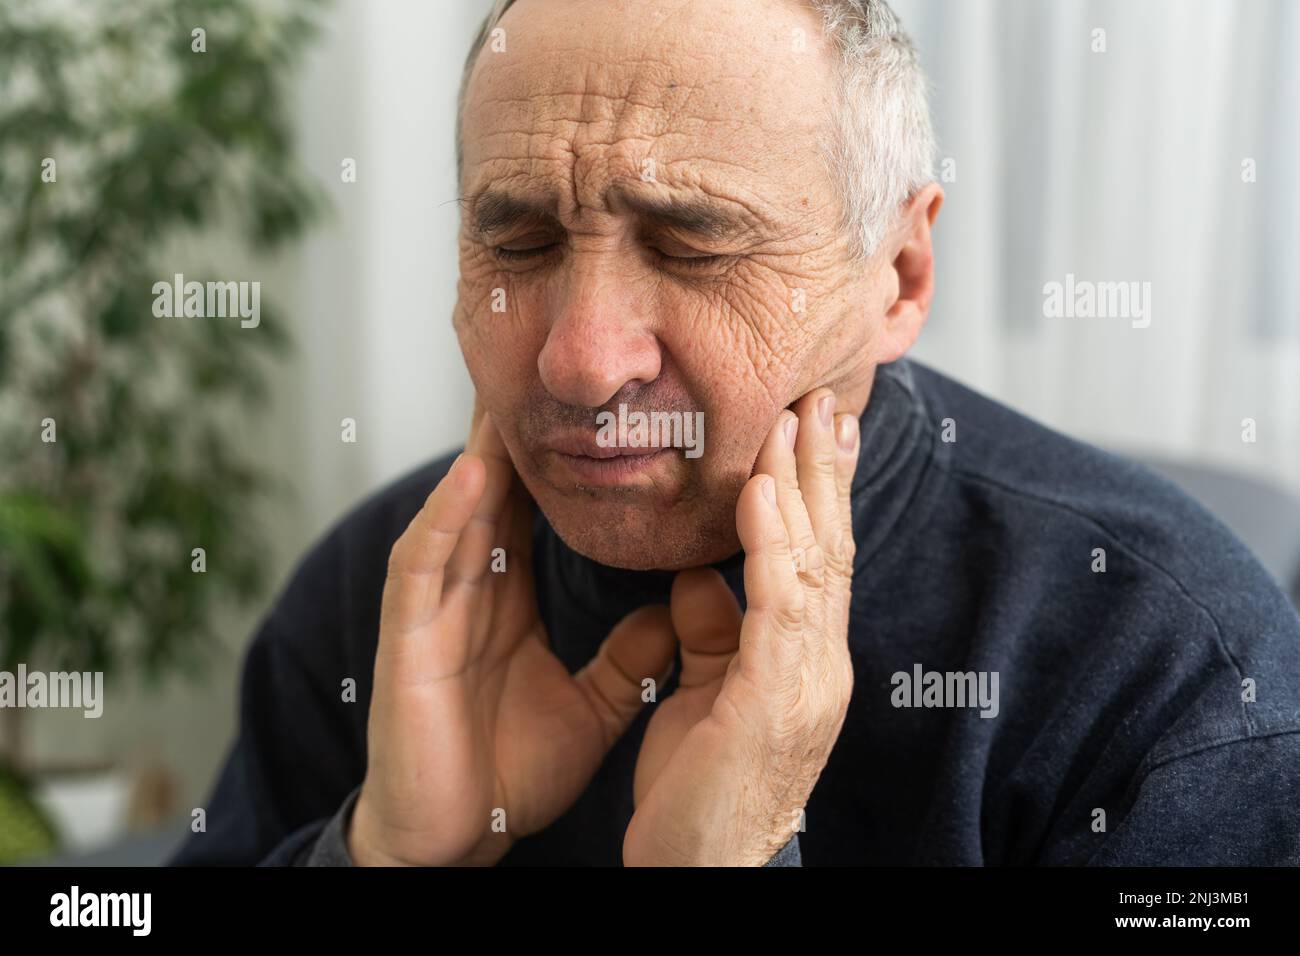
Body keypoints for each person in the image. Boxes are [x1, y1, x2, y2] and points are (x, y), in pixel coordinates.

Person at [174, 0, 1300, 866]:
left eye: (693, 246)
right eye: (516, 244)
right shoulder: (387, 591)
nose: (579, 358)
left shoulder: (1169, 671)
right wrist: (380, 853)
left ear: (898, 277)